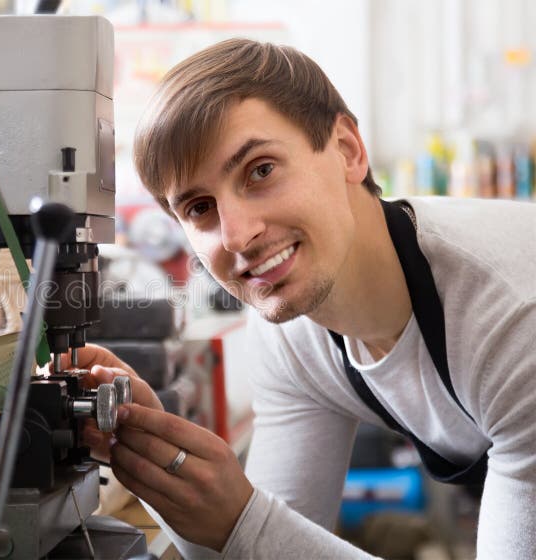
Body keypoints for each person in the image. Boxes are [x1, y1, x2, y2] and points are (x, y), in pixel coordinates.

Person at [74, 38, 536, 558]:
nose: (237, 236)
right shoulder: (293, 335)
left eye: (261, 170)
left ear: (347, 151)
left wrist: (243, 520)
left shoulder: (513, 317)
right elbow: (256, 544)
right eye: (201, 207)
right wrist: (147, 451)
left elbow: (255, 530)